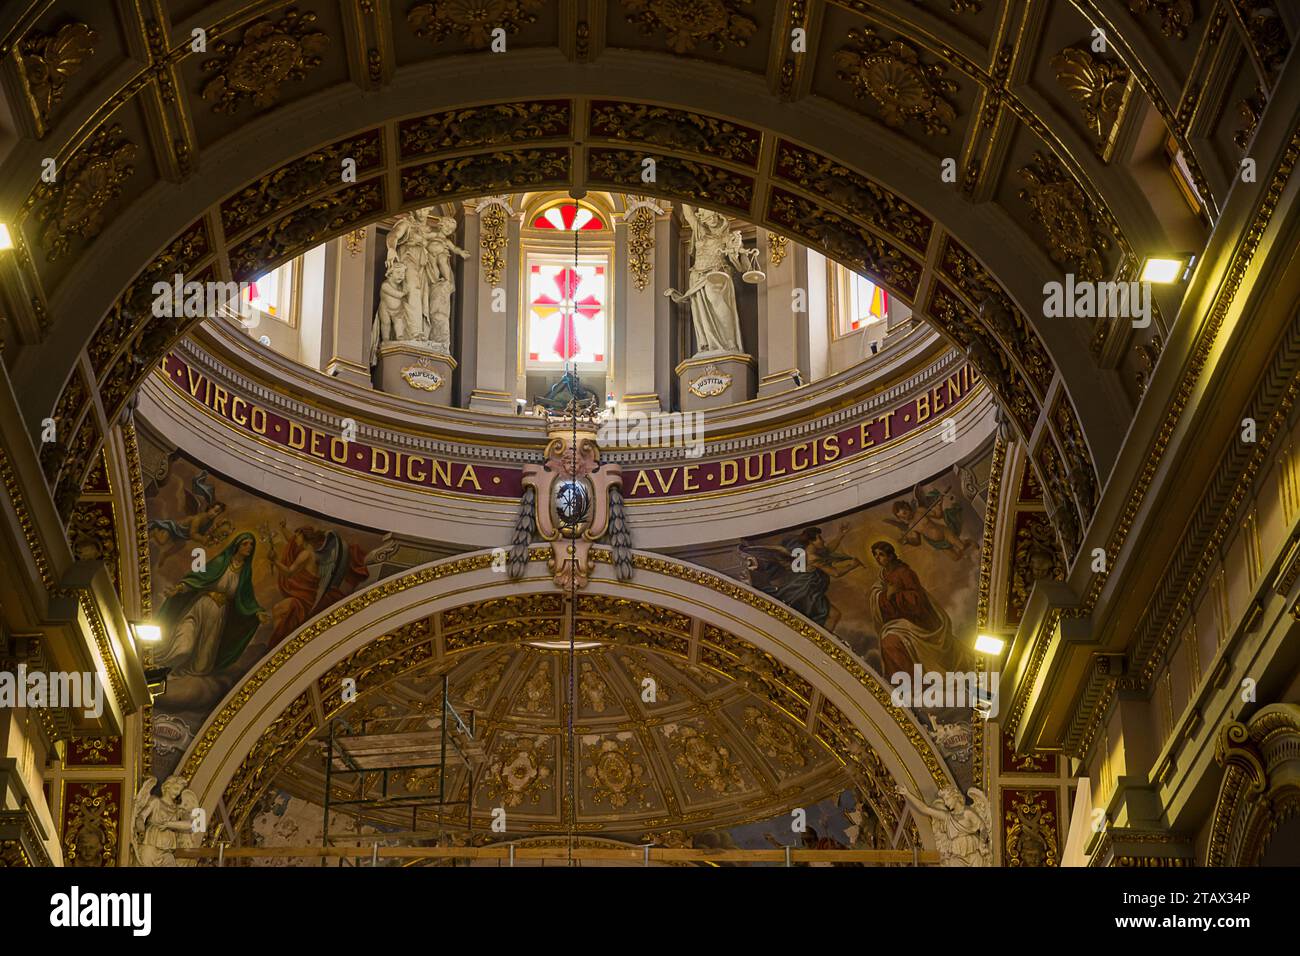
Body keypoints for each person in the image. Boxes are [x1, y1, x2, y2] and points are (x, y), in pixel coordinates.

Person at [155, 532, 268, 676]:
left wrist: (257, 612)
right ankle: (159, 671)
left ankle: (181, 676)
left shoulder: (245, 572)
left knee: (203, 661)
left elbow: (246, 597)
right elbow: (199, 578)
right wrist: (178, 588)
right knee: (183, 648)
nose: (249, 547)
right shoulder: (221, 562)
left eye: (252, 545)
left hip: (219, 613)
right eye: (245, 544)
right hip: (201, 606)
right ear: (237, 546)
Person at [869, 541, 970, 677]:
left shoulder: (905, 572)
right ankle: (905, 682)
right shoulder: (882, 578)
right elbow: (882, 601)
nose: (877, 558)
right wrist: (885, 596)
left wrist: (895, 595)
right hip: (899, 621)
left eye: (881, 554)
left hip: (918, 620)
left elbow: (917, 599)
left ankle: (916, 680)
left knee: (890, 640)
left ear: (891, 555)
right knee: (886, 639)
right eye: (875, 555)